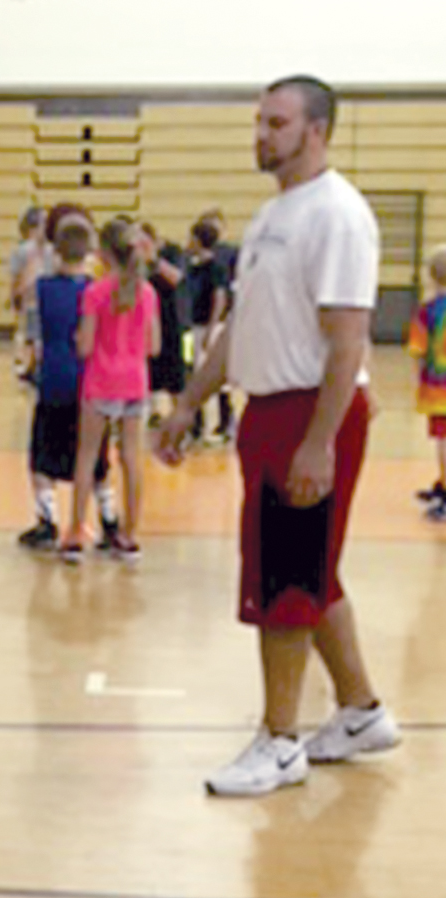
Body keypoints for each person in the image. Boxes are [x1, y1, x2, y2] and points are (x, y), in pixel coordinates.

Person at [155, 75, 400, 797]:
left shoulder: (337, 215)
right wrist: (186, 404)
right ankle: (360, 712)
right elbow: (241, 328)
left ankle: (279, 742)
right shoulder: (269, 217)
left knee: (284, 578)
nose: (260, 134)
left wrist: (318, 442)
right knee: (310, 570)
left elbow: (348, 340)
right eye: (259, 121)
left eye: (276, 123)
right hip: (268, 411)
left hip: (309, 413)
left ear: (316, 130)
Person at [17, 216, 118, 551]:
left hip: (54, 382)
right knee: (97, 458)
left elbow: (20, 294)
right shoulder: (98, 290)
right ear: (89, 252)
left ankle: (47, 520)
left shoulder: (44, 288)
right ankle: (109, 520)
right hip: (91, 383)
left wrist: (37, 250)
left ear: (56, 250)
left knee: (42, 458)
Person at [63, 219, 159, 564]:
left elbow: (86, 346)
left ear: (104, 253)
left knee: (87, 456)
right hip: (134, 382)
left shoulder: (96, 292)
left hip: (102, 381)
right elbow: (154, 346)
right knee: (132, 457)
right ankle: (129, 535)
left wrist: (79, 338)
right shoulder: (147, 293)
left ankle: (75, 533)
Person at [184, 219, 233, 442]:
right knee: (194, 373)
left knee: (212, 375)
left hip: (210, 326)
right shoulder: (194, 267)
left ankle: (221, 423)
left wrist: (212, 328)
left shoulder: (215, 268)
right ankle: (198, 424)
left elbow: (219, 298)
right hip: (195, 326)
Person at [407, 244, 446, 520]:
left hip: (438, 388)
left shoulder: (428, 311)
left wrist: (417, 382)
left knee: (443, 440)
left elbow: (418, 349)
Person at [136, 223, 185, 426]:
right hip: (147, 322)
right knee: (150, 373)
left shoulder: (171, 253)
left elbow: (177, 278)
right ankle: (153, 413)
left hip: (171, 322)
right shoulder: (135, 262)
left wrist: (154, 260)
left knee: (176, 377)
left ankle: (185, 420)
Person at [8, 206, 53, 380]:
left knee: (33, 335)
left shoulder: (48, 250)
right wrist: (15, 295)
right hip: (34, 298)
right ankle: (32, 366)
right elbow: (17, 276)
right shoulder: (25, 250)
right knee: (31, 335)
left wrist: (15, 294)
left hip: (39, 297)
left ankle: (33, 366)